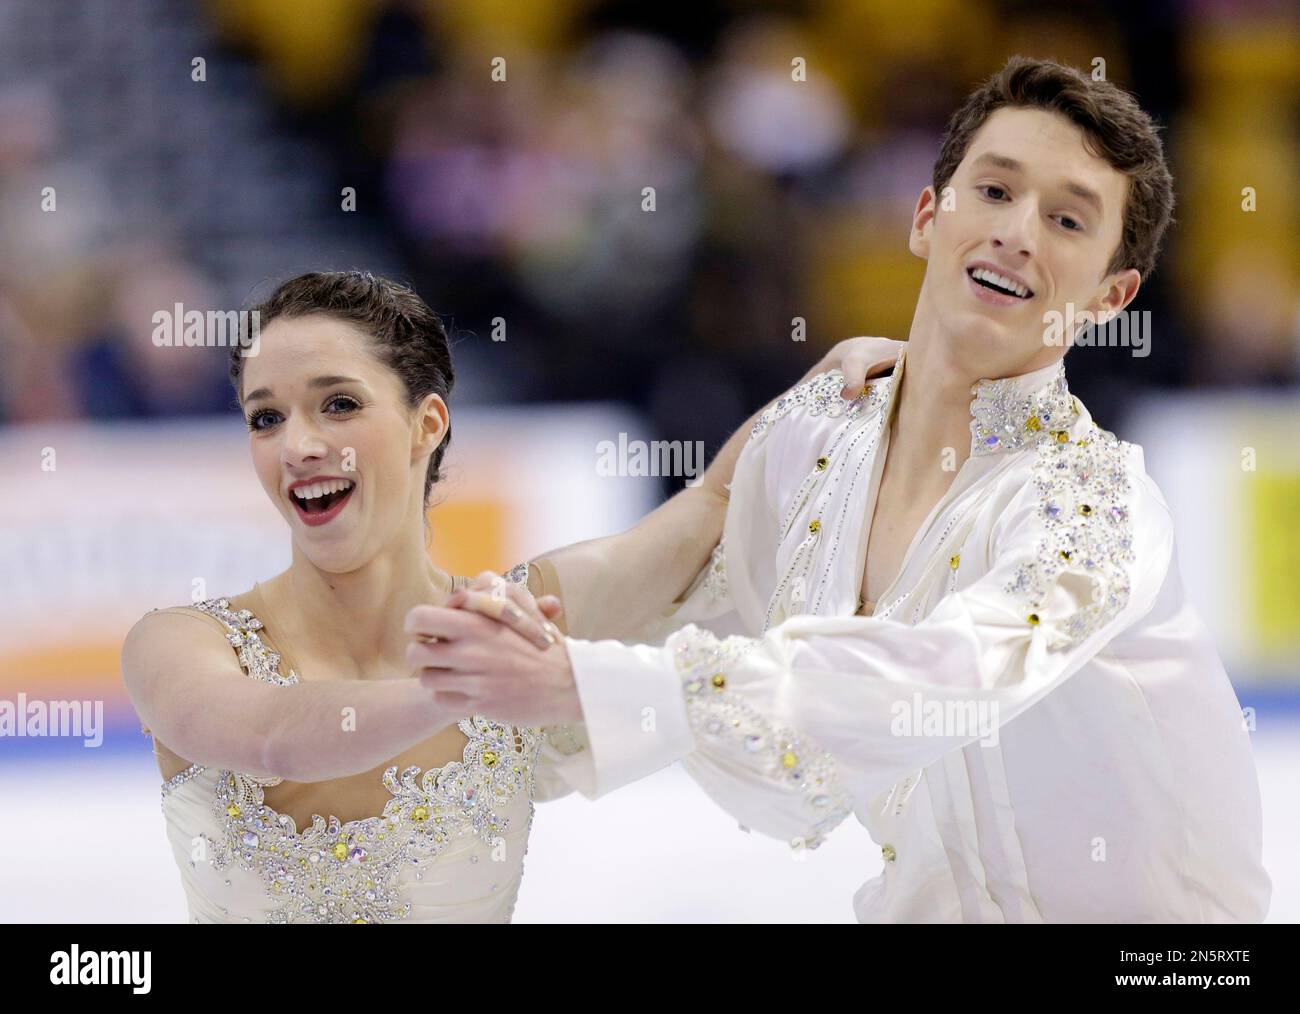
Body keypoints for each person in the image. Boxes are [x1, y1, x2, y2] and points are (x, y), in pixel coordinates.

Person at [413, 56, 1272, 922]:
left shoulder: (1096, 503)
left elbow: (938, 678)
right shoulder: (825, 429)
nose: (1019, 232)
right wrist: (468, 649)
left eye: (1068, 220)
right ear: (927, 217)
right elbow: (668, 572)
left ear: (1109, 298)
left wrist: (584, 684)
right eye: (996, 191)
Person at [119, 268, 901, 923]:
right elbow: (268, 739)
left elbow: (716, 504)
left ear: (426, 424)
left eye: (340, 404)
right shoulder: (181, 643)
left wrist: (824, 383)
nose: (299, 446)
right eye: (266, 417)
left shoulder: (525, 615)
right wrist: (464, 685)